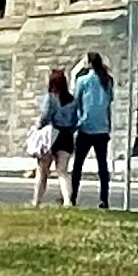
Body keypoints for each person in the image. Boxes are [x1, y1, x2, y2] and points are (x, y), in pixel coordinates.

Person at [31, 68, 86, 204]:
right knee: (62, 171)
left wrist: (37, 128)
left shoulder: (51, 98)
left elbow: (45, 116)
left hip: (51, 136)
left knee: (43, 170)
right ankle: (68, 200)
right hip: (66, 136)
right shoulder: (72, 100)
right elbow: (75, 120)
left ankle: (36, 200)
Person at [72, 51, 116, 207]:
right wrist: (108, 125)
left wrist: (76, 121)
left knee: (77, 166)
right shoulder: (107, 81)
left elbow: (76, 102)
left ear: (89, 63)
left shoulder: (82, 81)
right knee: (102, 166)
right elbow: (108, 105)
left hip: (85, 127)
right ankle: (104, 198)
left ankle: (72, 197)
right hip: (102, 129)